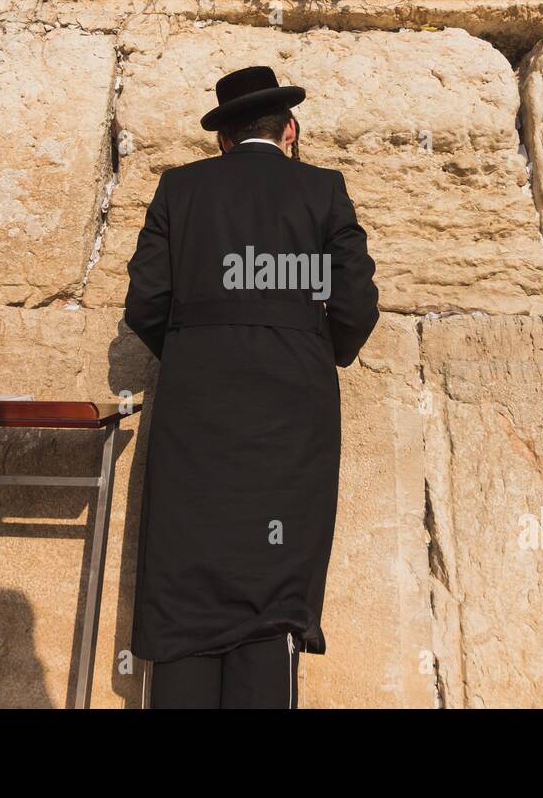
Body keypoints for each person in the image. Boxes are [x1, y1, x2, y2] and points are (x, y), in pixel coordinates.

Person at [123, 65, 380, 708]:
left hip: (197, 406)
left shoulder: (178, 189)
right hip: (294, 408)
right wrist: (321, 354)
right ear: (288, 130)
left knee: (187, 562)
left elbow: (146, 303)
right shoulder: (323, 190)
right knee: (276, 565)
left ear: (222, 139)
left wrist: (190, 356)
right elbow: (354, 305)